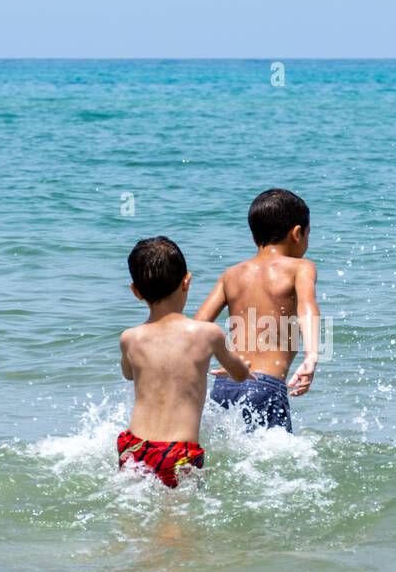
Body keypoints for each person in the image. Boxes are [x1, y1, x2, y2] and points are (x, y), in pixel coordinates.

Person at [118, 236, 250, 487]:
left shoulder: (130, 338)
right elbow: (239, 374)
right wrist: (243, 366)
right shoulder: (207, 333)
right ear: (186, 282)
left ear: (136, 291)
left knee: (133, 515)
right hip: (178, 453)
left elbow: (129, 374)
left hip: (133, 446)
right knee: (176, 521)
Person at [195, 188, 319, 432]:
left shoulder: (231, 274)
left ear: (254, 238)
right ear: (297, 233)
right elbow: (307, 306)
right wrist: (311, 354)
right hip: (266, 386)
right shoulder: (300, 267)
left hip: (225, 384)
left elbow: (198, 326)